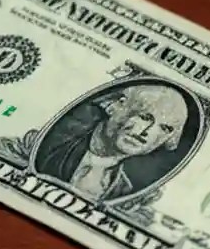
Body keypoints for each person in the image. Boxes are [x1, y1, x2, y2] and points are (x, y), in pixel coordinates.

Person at [35, 83, 191, 205]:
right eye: (144, 117)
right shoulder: (53, 141)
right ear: (119, 106)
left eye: (164, 128)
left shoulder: (123, 190)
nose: (147, 132)